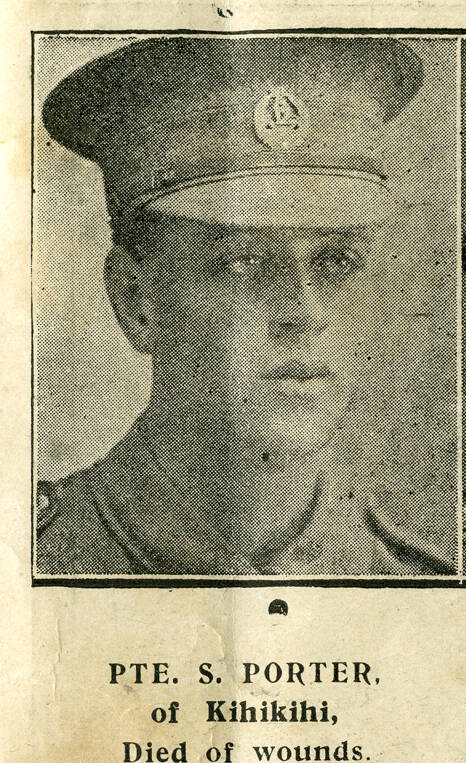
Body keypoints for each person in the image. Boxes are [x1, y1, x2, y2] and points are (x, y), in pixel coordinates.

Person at [36, 36, 455, 575]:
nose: (303, 313)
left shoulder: (419, 588)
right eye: (243, 264)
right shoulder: (34, 565)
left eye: (336, 262)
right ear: (136, 301)